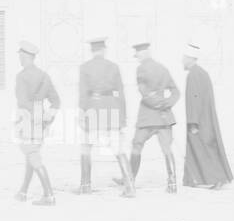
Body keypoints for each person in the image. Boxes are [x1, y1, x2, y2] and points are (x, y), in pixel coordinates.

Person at [77, 36, 134, 196]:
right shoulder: (114, 67)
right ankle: (130, 186)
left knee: (86, 147)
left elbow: (82, 94)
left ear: (92, 50)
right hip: (112, 109)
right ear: (104, 50)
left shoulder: (85, 67)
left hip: (93, 109)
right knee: (118, 149)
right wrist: (123, 117)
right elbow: (121, 94)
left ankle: (85, 186)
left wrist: (82, 113)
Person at [127, 42, 181, 193]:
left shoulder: (141, 68)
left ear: (143, 53)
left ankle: (130, 181)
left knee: (137, 145)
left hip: (147, 117)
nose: (137, 57)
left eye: (137, 54)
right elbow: (176, 92)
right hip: (164, 118)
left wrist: (156, 104)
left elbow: (143, 92)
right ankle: (172, 183)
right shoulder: (163, 68)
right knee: (166, 149)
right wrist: (166, 104)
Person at [14, 41, 60, 205]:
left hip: (27, 121)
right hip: (41, 122)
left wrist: (29, 119)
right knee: (31, 156)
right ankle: (23, 192)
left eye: (20, 56)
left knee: (32, 156)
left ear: (26, 57)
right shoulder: (44, 76)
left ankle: (49, 195)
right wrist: (48, 116)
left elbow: (22, 102)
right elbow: (56, 101)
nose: (19, 59)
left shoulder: (21, 77)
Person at [181, 44, 233, 189]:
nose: (182, 61)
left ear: (190, 58)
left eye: (184, 58)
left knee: (204, 150)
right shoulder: (201, 73)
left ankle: (219, 178)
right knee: (196, 149)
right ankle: (191, 179)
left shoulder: (193, 75)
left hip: (199, 121)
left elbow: (194, 100)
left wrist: (193, 122)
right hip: (205, 119)